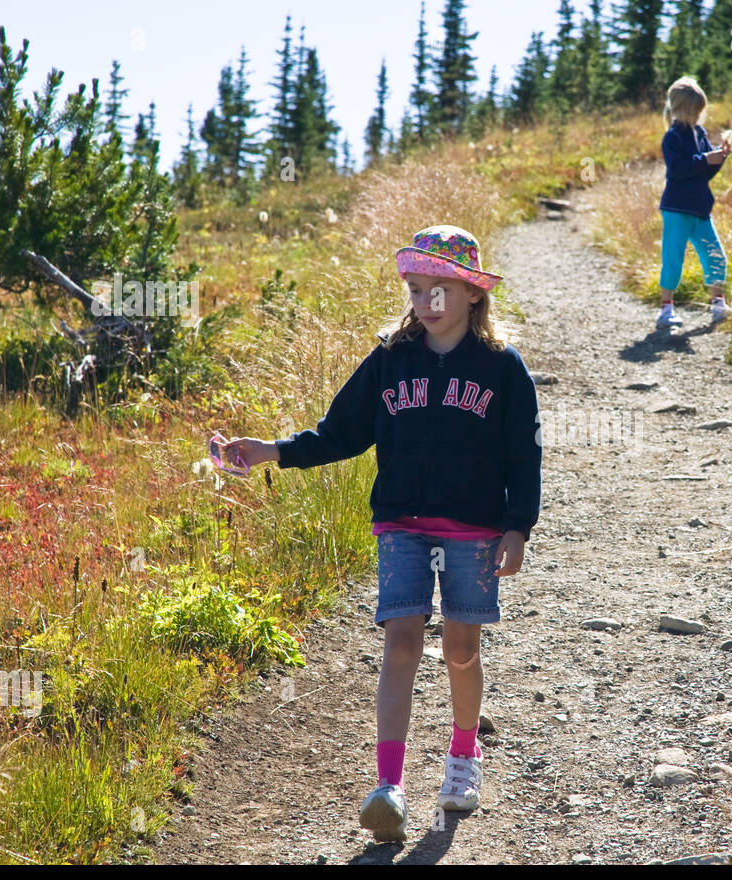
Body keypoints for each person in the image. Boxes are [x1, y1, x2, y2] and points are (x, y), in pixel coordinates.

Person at [220, 224, 541, 843]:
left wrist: (517, 528)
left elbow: (523, 455)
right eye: (415, 290)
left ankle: (463, 756)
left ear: (472, 294)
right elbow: (339, 432)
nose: (425, 303)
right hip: (401, 520)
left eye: (438, 290)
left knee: (459, 647)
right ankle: (388, 784)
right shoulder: (392, 359)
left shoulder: (501, 369)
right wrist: (271, 451)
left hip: (475, 525)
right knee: (400, 641)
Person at [656, 75, 732, 330]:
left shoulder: (699, 133)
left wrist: (718, 159)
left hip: (701, 208)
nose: (696, 116)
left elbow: (704, 173)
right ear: (679, 109)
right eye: (693, 111)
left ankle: (717, 304)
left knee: (715, 255)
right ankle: (666, 309)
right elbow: (677, 170)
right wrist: (704, 159)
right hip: (677, 209)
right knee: (673, 257)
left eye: (699, 111)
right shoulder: (672, 137)